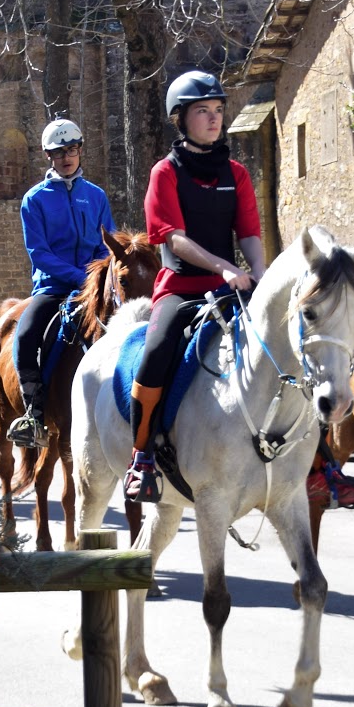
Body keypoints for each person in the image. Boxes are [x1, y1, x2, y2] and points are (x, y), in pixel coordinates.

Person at [123, 71, 267, 503]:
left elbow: (250, 232)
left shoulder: (236, 173)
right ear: (181, 119)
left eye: (219, 110)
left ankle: (318, 463)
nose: (214, 119)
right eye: (203, 111)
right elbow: (172, 237)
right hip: (182, 288)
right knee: (155, 351)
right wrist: (224, 267)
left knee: (285, 345)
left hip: (233, 286)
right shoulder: (164, 173)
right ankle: (142, 456)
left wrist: (258, 270)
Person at [6, 118, 116, 448]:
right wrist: (81, 277)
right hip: (52, 288)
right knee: (25, 337)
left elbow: (106, 244)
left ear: (80, 150)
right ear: (47, 156)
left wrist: (96, 277)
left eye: (72, 150)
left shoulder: (96, 196)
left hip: (94, 287)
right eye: (59, 152)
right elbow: (40, 253)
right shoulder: (34, 199)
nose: (67, 157)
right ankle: (34, 414)